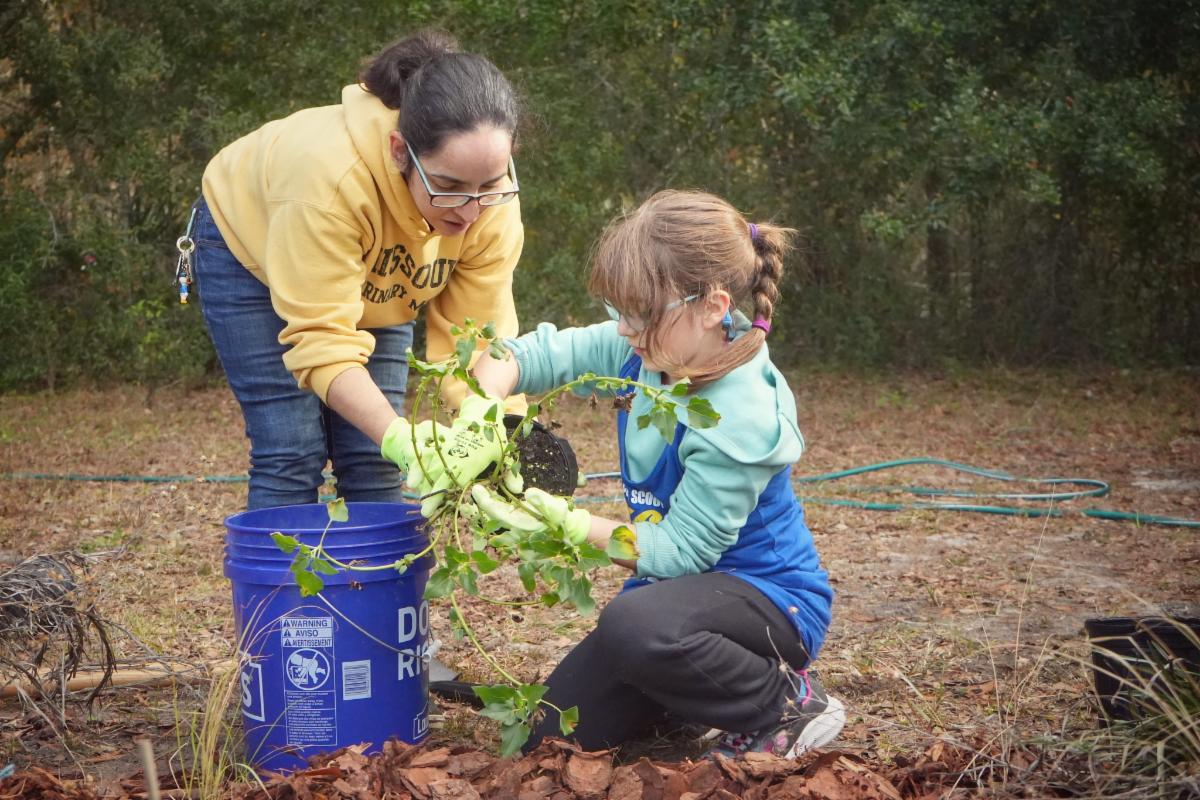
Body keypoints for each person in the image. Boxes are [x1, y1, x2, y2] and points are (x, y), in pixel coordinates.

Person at [467, 190, 845, 757]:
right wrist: (480, 410)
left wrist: (562, 522)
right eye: (618, 310)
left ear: (713, 307)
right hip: (673, 604)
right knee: (546, 736)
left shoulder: (741, 411)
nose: (624, 329)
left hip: (769, 602)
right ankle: (692, 701)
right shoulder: (647, 350)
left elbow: (678, 554)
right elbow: (528, 355)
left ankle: (784, 703)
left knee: (634, 625)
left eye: (640, 312)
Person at [191, 30, 520, 511]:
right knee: (291, 451)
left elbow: (478, 341)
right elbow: (323, 341)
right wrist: (403, 439)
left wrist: (495, 428)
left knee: (374, 457)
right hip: (251, 250)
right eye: (449, 187)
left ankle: (378, 565)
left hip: (375, 271)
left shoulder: (494, 204)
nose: (471, 212)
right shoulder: (327, 183)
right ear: (399, 151)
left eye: (487, 186)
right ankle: (285, 564)